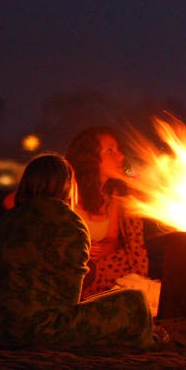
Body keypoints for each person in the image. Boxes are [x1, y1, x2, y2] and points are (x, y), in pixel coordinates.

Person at [0, 154, 156, 349]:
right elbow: (69, 301)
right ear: (67, 185)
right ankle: (148, 343)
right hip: (36, 331)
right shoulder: (71, 224)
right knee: (135, 299)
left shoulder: (8, 220)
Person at [65, 127, 150, 300]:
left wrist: (97, 250)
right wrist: (80, 249)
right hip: (67, 270)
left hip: (97, 270)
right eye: (110, 150)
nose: (121, 156)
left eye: (119, 150)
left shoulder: (115, 195)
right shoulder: (66, 189)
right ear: (90, 158)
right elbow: (12, 201)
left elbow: (111, 240)